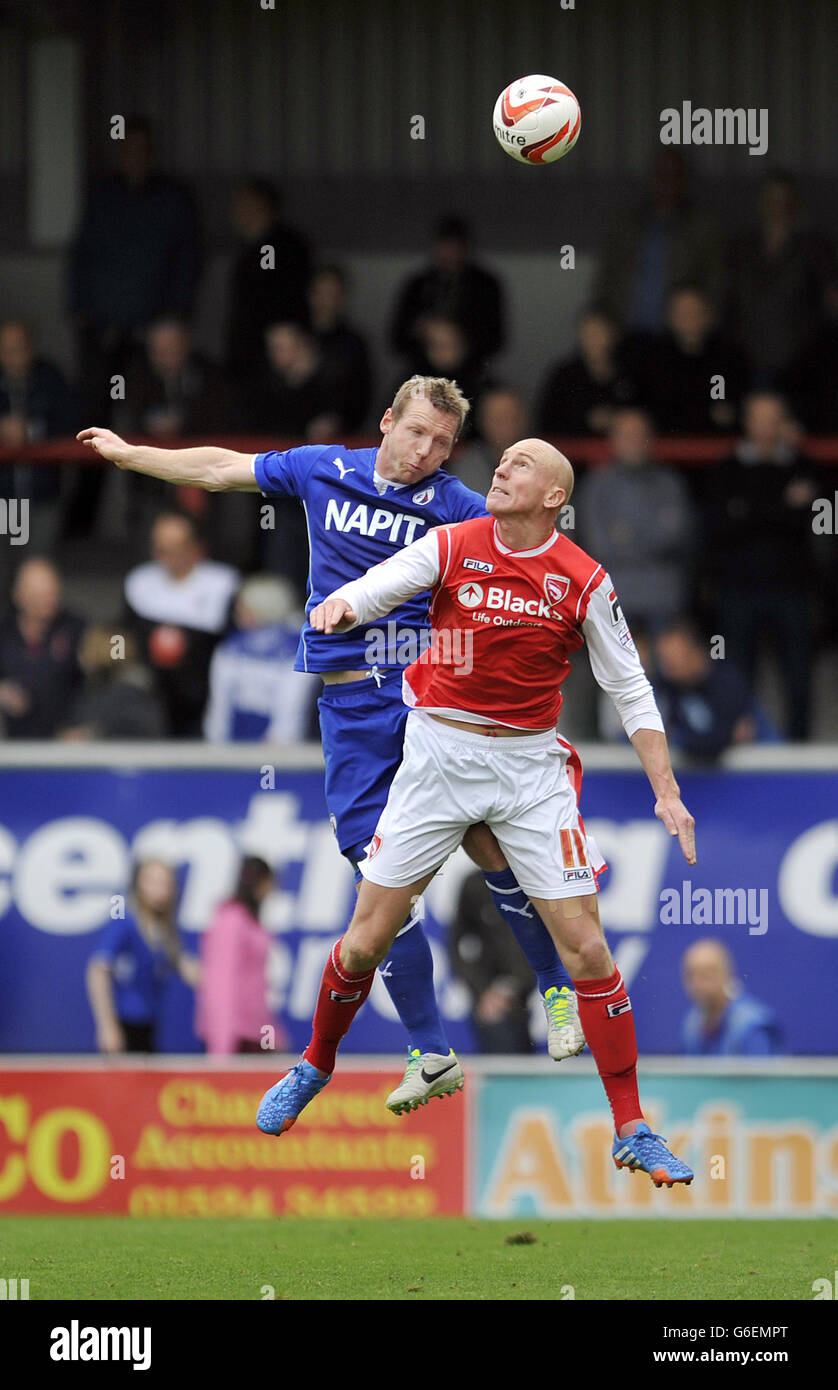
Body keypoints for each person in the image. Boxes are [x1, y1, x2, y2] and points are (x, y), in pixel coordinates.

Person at [77, 377, 584, 1113]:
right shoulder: (324, 468)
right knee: (380, 889)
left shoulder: (454, 504)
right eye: (416, 433)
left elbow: (534, 550)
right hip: (348, 706)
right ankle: (430, 1050)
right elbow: (224, 468)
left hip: (425, 695)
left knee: (488, 841)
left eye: (442, 443)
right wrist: (133, 456)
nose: (426, 452)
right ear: (386, 421)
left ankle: (557, 989)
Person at [256, 436, 697, 1190]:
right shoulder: (453, 542)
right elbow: (387, 583)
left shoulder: (583, 579)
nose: (500, 469)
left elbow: (630, 688)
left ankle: (633, 1127)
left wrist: (666, 790)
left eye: (520, 464)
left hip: (529, 769)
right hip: (438, 757)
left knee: (590, 951)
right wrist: (344, 603)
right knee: (365, 941)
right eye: (502, 462)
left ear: (554, 496)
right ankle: (313, 1065)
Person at [66, 116, 201, 535]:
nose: (135, 157)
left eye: (141, 149)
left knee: (153, 423)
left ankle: (154, 522)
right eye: (128, 149)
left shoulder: (171, 199)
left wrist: (172, 318)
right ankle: (81, 525)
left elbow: (188, 259)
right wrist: (82, 311)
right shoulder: (103, 196)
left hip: (152, 338)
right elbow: (81, 255)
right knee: (92, 422)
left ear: (151, 152)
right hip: (103, 334)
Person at [701, 392, 820, 739]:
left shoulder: (804, 466)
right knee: (737, 675)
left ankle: (801, 750)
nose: (767, 426)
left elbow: (814, 524)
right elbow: (721, 527)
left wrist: (750, 511)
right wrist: (782, 508)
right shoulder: (725, 470)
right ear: (747, 422)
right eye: (759, 418)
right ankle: (740, 747)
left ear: (783, 422)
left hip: (792, 589)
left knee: (798, 676)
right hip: (738, 589)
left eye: (774, 418)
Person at [123, 511, 239, 737]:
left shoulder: (222, 585)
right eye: (160, 548)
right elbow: (123, 638)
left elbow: (231, 645)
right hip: (153, 693)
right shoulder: (140, 583)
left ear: (195, 547)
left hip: (204, 690)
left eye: (173, 548)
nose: (165, 556)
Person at [575, 409, 694, 628]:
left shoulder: (670, 483)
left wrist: (625, 535)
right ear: (613, 440)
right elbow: (598, 545)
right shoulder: (595, 486)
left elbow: (676, 536)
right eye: (627, 435)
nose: (634, 441)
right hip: (614, 594)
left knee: (672, 656)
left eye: (640, 435)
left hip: (663, 594)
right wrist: (650, 536)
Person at [594, 149, 723, 334]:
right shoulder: (626, 226)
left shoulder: (702, 229)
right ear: (651, 178)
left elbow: (715, 285)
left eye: (673, 175)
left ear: (683, 180)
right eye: (661, 174)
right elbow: (606, 279)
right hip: (627, 334)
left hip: (680, 338)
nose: (666, 182)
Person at [86, 859, 198, 1054]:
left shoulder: (164, 926)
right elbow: (97, 970)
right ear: (139, 884)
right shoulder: (125, 920)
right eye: (153, 882)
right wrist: (107, 1026)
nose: (160, 890)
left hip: (149, 1023)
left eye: (166, 883)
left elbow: (183, 964)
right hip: (124, 1024)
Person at [203, 575, 319, 742]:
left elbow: (292, 707)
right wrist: (217, 745)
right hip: (232, 746)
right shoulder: (230, 648)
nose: (237, 613)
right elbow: (219, 706)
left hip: (282, 752)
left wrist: (277, 748)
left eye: (244, 607)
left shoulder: (299, 650)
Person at [390, 216, 505, 370]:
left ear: (466, 249)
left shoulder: (485, 286)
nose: (450, 254)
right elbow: (397, 337)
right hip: (422, 372)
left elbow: (496, 339)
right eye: (445, 247)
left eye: (456, 248)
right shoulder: (417, 285)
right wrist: (422, 329)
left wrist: (458, 337)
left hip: (470, 372)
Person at [225, 179, 311, 383]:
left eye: (243, 203)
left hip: (269, 350)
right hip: (251, 347)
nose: (235, 210)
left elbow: (266, 284)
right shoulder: (254, 246)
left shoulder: (270, 247)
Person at [652, 617, 774, 761]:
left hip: (759, 764)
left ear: (696, 654)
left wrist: (678, 737)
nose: (666, 670)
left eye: (672, 662)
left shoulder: (727, 683)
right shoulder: (666, 686)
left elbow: (717, 740)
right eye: (663, 661)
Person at [195, 856, 281, 1055]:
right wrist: (222, 1048)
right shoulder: (231, 920)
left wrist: (273, 1033)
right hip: (234, 1039)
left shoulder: (250, 921)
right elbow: (220, 983)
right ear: (262, 883)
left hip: (255, 1034)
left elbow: (257, 987)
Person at [449, 870, 538, 1055]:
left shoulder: (531, 879)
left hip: (530, 993)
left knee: (523, 1062)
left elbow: (545, 935)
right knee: (502, 1052)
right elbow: (456, 940)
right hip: (489, 997)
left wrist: (517, 984)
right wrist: (483, 990)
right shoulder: (475, 884)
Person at [0, 558, 85, 739]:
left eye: (52, 593)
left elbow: (114, 658)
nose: (47, 601)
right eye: (38, 596)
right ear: (18, 595)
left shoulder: (77, 628)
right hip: (12, 746)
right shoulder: (4, 631)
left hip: (66, 742)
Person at [536, 307, 637, 438]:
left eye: (600, 332)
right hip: (573, 454)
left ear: (613, 335)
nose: (594, 339)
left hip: (622, 454)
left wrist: (616, 419)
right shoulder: (563, 376)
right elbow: (547, 422)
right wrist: (586, 421)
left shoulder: (628, 374)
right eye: (588, 333)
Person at [58, 625, 167, 741]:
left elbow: (141, 731)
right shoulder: (90, 690)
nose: (81, 655)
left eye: (86, 648)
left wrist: (92, 735)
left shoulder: (132, 695)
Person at [681, 940, 781, 1056]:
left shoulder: (753, 1026)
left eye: (706, 975)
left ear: (725, 974)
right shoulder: (692, 1024)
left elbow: (761, 1073)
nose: (697, 984)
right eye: (690, 975)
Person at [307, 265, 372, 433]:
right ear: (310, 295)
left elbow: (362, 394)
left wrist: (339, 422)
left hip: (341, 438)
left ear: (342, 297)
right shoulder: (296, 339)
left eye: (333, 294)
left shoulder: (354, 344)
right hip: (291, 437)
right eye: (320, 293)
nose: (326, 300)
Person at [449, 387, 529, 495]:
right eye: (498, 420)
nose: (507, 426)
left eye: (512, 417)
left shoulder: (544, 462)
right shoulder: (468, 469)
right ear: (483, 423)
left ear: (524, 419)